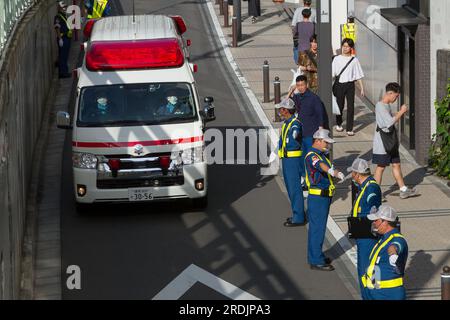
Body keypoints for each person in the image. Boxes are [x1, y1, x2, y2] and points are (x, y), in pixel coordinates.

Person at [304, 129, 345, 271]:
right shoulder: (313, 156)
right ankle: (316, 260)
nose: (328, 145)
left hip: (322, 196)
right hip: (318, 197)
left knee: (318, 228)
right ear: (318, 141)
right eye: (326, 143)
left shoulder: (320, 154)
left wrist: (334, 171)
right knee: (318, 229)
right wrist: (332, 172)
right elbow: (320, 166)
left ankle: (316, 255)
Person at [372, 82, 417, 199]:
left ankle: (403, 189)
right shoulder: (380, 106)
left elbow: (389, 119)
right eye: (396, 96)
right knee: (381, 167)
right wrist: (401, 112)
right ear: (390, 93)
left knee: (396, 164)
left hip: (390, 142)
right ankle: (376, 193)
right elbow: (388, 122)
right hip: (383, 143)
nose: (396, 99)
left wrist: (398, 113)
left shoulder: (386, 106)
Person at [347, 158, 382, 299]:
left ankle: (371, 297)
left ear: (357, 174)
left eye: (352, 173)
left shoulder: (371, 188)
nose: (351, 176)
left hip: (368, 235)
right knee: (364, 269)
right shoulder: (364, 186)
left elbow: (373, 211)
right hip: (362, 234)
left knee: (368, 269)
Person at [362, 205, 408, 300]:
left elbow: (396, 246)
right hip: (375, 291)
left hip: (388, 294)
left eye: (376, 220)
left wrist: (393, 253)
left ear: (385, 222)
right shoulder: (384, 238)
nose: (374, 223)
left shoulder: (397, 239)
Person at [289, 75, 328, 180]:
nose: (300, 87)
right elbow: (287, 105)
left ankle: (311, 179)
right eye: (298, 85)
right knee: (302, 157)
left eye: (302, 85)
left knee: (310, 158)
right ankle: (304, 179)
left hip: (311, 134)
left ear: (306, 84)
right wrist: (291, 91)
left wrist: (320, 132)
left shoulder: (314, 98)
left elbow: (320, 115)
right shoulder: (297, 97)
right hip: (301, 134)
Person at [276, 98, 307, 227]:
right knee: (291, 187)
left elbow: (296, 134)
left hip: (293, 160)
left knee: (294, 188)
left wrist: (295, 135)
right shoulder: (287, 122)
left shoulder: (294, 124)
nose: (279, 111)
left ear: (286, 110)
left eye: (281, 109)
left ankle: (299, 217)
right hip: (288, 160)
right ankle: (297, 214)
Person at [332, 38, 364, 136]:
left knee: (351, 107)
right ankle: (339, 123)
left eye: (347, 46)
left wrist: (362, 88)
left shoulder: (354, 60)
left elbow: (358, 75)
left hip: (350, 85)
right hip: (339, 84)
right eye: (344, 46)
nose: (345, 48)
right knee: (340, 105)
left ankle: (349, 129)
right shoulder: (337, 59)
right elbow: (332, 73)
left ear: (351, 48)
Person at [291, 0, 316, 64]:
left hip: (299, 38)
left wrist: (294, 35)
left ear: (303, 2)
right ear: (310, 2)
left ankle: (298, 64)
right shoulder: (314, 11)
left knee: (296, 49)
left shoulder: (298, 10)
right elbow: (316, 24)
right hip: (309, 41)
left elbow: (293, 24)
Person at [54, 1, 72, 78]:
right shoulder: (57, 17)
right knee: (63, 56)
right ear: (59, 8)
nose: (65, 8)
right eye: (63, 7)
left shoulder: (64, 15)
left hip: (67, 38)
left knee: (65, 56)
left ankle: (64, 71)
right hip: (63, 39)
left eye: (65, 7)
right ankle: (63, 73)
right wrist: (60, 39)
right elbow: (57, 28)